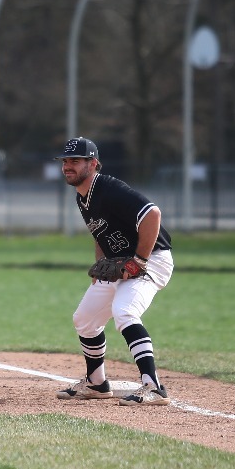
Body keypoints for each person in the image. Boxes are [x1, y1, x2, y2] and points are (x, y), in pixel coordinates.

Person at [55, 136, 174, 405]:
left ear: (93, 163)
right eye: (65, 161)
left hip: (152, 259)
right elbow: (100, 232)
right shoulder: (82, 196)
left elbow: (152, 214)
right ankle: (96, 384)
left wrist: (140, 260)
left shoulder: (109, 188)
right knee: (84, 318)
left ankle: (154, 387)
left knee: (125, 311)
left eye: (75, 161)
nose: (67, 166)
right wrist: (100, 263)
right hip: (120, 262)